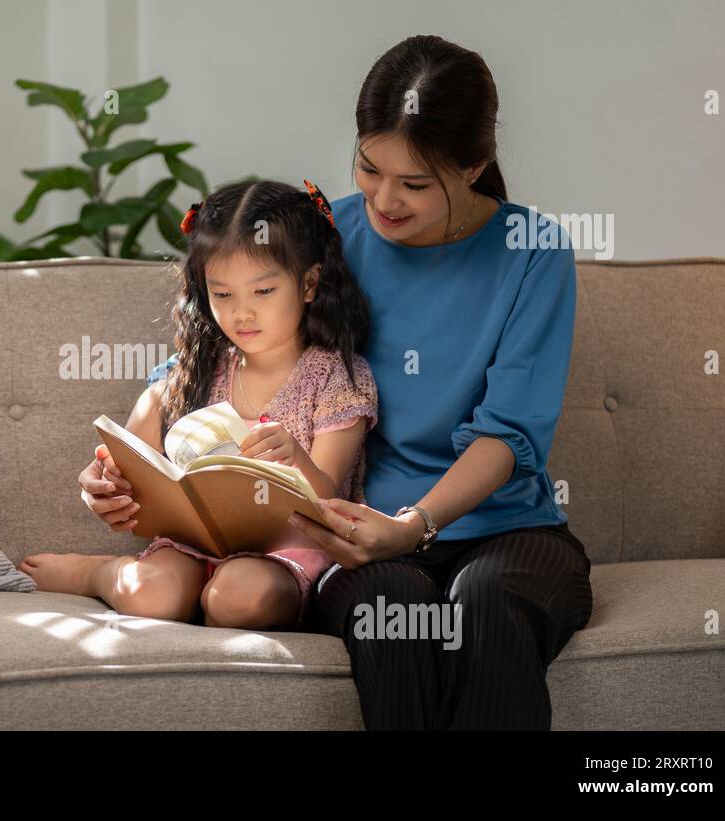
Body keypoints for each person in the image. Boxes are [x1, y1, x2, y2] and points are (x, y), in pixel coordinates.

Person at [143, 35, 594, 730]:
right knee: (394, 612)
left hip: (502, 530)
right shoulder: (328, 232)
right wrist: (130, 458)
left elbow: (510, 432)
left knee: (487, 606)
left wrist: (413, 525)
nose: (384, 200)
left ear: (473, 166)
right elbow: (225, 342)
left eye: (415, 184)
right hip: (350, 533)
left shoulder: (533, 253)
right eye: (369, 168)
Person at [19, 178, 378, 631]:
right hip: (190, 545)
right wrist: (106, 483)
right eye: (222, 294)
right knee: (150, 595)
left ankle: (210, 596)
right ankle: (98, 573)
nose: (241, 313)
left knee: (239, 597)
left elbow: (330, 503)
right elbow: (130, 461)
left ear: (308, 283)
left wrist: (298, 461)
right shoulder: (191, 368)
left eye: (263, 292)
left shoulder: (335, 377)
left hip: (285, 553)